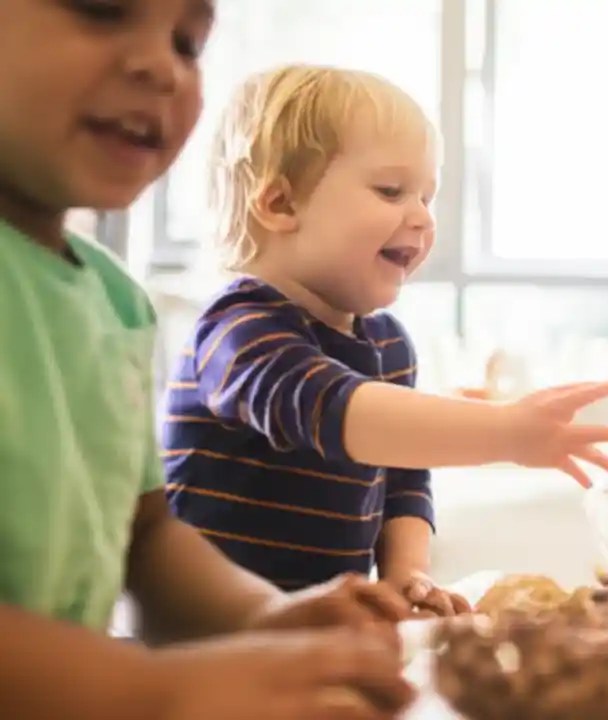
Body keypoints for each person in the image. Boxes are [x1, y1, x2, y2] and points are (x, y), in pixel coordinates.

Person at [0, 1, 422, 717]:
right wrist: (159, 691)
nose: (160, 65)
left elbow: (147, 538)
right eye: (102, 11)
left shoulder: (116, 304)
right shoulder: (238, 325)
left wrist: (262, 620)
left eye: (187, 42)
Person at [163, 64, 608, 609]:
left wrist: (406, 574)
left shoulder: (387, 345)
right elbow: (338, 412)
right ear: (281, 204)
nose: (423, 219)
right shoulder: (238, 329)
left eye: (426, 198)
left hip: (318, 628)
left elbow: (403, 477)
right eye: (391, 191)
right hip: (208, 634)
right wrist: (505, 432)